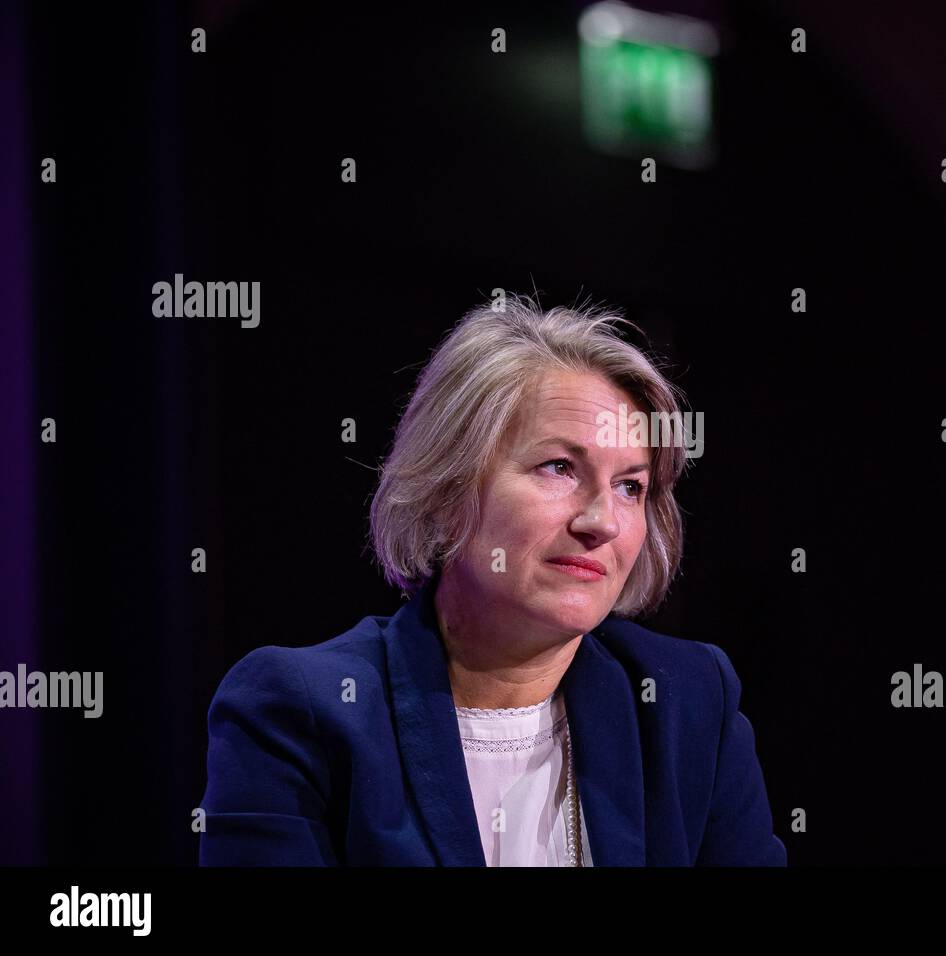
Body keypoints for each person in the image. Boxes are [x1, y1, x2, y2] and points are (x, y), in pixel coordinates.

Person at [199, 292, 786, 866]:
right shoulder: (301, 713)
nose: (602, 521)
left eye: (629, 486)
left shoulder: (687, 705)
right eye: (560, 467)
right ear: (450, 484)